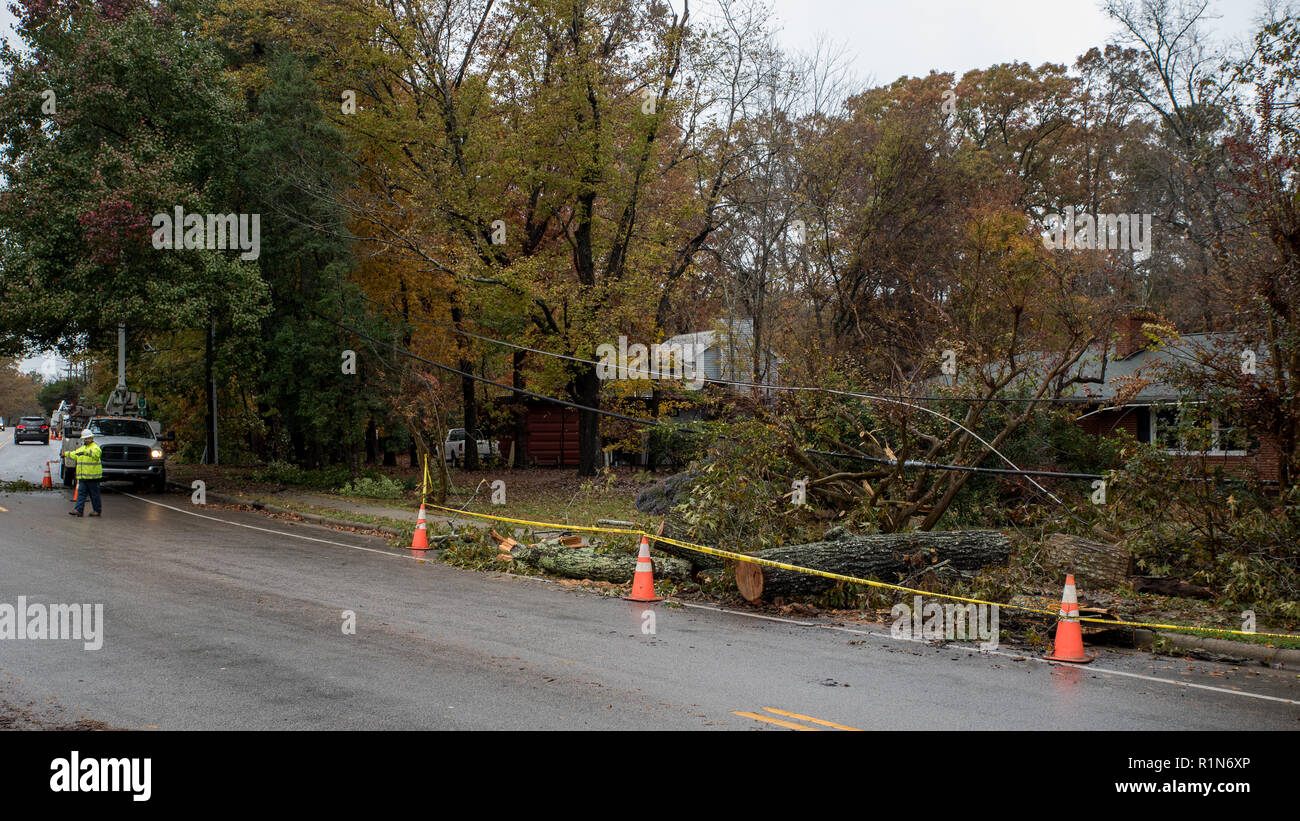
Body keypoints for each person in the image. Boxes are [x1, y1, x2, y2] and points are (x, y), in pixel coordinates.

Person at [68, 429, 103, 517]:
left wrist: (86, 452)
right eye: (85, 438)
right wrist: (66, 454)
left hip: (93, 478)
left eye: (88, 438)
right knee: (81, 494)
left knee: (94, 495)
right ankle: (78, 510)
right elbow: (75, 454)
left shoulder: (95, 447)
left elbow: (96, 454)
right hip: (83, 477)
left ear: (92, 438)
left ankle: (97, 510)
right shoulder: (82, 448)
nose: (86, 440)